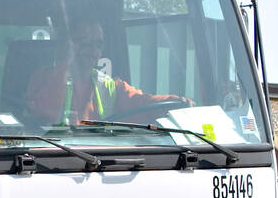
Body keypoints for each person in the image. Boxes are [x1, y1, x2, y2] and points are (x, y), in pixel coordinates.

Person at [26, 20, 188, 125]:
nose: (94, 51)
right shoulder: (43, 77)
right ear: (69, 44)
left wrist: (178, 101)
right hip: (51, 158)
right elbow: (46, 110)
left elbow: (143, 102)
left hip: (98, 157)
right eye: (86, 43)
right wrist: (65, 65)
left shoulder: (109, 85)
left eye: (98, 45)